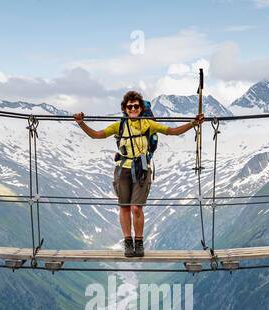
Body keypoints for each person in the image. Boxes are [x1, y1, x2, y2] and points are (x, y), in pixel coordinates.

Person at [74, 91, 204, 257]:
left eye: (136, 106)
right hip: (123, 168)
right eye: (130, 106)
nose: (133, 109)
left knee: (136, 207)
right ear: (125, 109)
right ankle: (128, 242)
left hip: (141, 169)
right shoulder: (118, 125)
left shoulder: (148, 124)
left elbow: (172, 131)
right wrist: (81, 123)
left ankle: (139, 242)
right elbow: (96, 135)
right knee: (124, 207)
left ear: (141, 108)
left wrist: (193, 123)